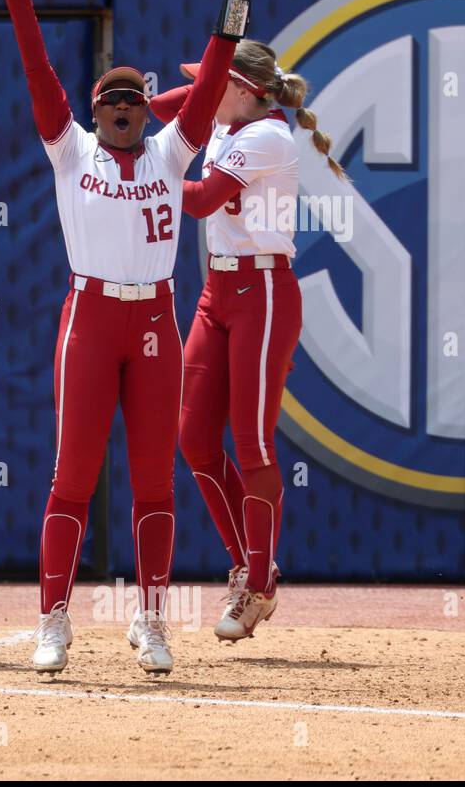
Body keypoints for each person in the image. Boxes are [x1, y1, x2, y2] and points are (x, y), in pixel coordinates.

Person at [0, 0, 254, 675]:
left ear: (147, 110)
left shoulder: (174, 151)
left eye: (131, 101)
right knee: (72, 475)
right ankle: (54, 621)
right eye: (108, 100)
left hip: (155, 320)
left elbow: (210, 80)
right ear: (95, 108)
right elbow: (40, 72)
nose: (119, 109)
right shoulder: (70, 148)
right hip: (92, 316)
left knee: (153, 481)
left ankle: (149, 620)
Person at [148, 43, 347, 642]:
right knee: (195, 439)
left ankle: (256, 583)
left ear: (243, 88)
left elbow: (204, 199)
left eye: (214, 84)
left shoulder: (267, 135)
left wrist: (140, 180)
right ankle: (250, 565)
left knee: (253, 442)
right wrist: (211, 82)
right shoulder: (226, 114)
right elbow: (159, 108)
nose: (204, 91)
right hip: (219, 289)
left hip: (263, 289)